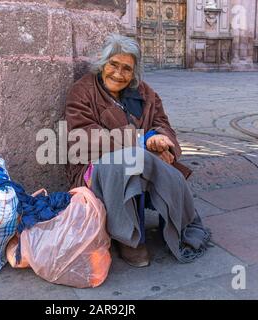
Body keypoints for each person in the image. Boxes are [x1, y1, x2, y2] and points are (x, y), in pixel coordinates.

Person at [65, 34, 211, 267]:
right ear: (103, 64)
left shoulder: (145, 93)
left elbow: (163, 124)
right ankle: (129, 238)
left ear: (134, 73)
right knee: (128, 162)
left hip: (143, 160)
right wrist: (143, 141)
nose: (118, 74)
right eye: (113, 65)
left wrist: (160, 139)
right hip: (93, 167)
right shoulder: (82, 91)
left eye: (127, 69)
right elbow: (85, 137)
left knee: (152, 160)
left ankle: (175, 224)